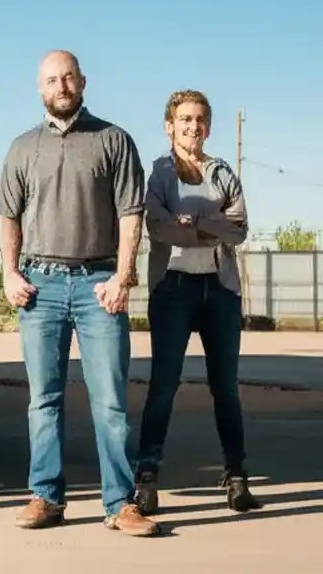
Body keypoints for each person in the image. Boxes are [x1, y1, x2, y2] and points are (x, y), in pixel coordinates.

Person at [0, 50, 159, 536]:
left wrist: (123, 278)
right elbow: (8, 217)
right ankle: (45, 496)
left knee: (109, 401)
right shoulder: (22, 148)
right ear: (40, 88)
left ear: (83, 81)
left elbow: (132, 215)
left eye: (68, 77)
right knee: (42, 399)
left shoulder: (113, 140)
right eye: (51, 79)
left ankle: (120, 504)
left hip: (98, 285)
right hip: (39, 287)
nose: (61, 86)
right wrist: (9, 273)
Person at [133, 89, 261, 513]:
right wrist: (210, 225)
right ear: (170, 125)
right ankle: (147, 474)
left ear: (209, 126)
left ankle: (236, 474)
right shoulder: (160, 175)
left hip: (220, 291)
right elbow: (158, 227)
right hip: (173, 290)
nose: (193, 126)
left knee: (226, 388)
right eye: (185, 119)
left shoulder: (222, 173)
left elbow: (240, 230)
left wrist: (196, 221)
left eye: (200, 119)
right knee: (164, 386)